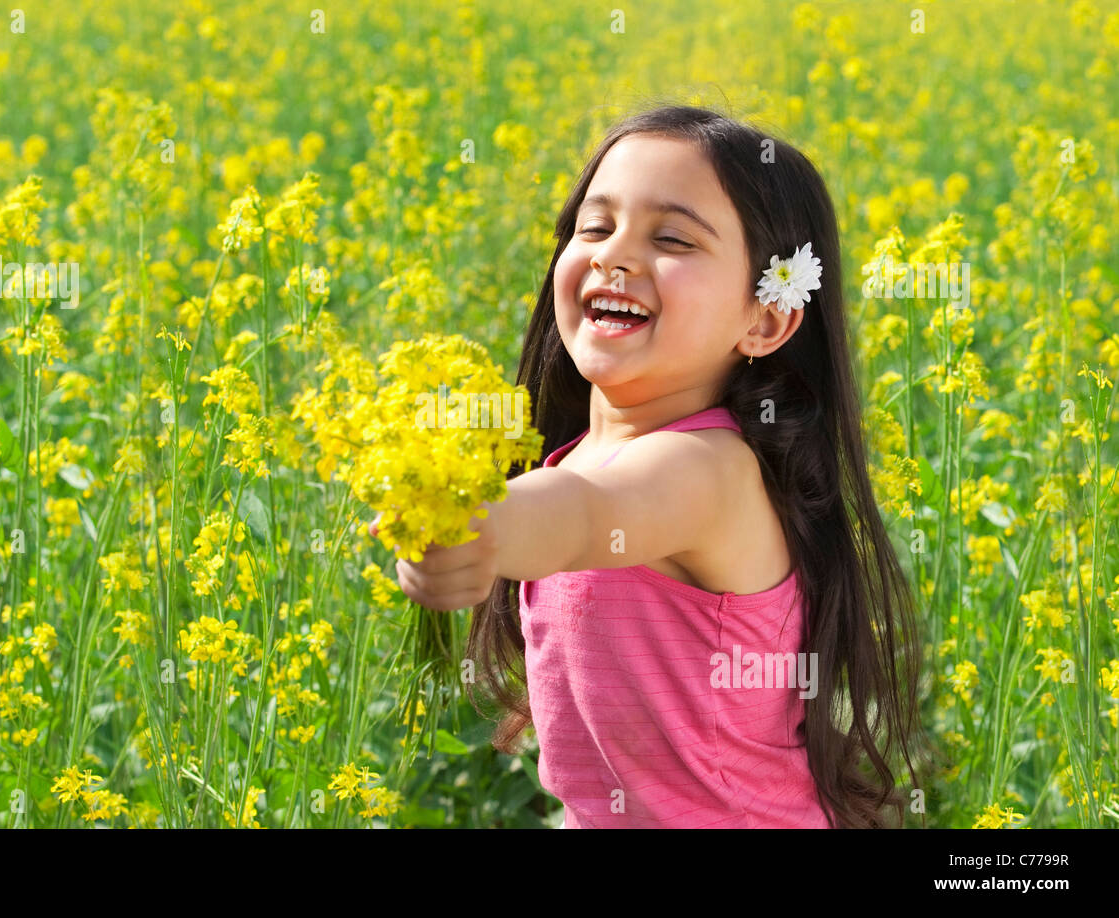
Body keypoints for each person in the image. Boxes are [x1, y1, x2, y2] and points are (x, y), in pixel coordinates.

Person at [371, 105, 922, 828]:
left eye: (670, 238)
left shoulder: (709, 472)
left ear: (765, 320)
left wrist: (480, 525)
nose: (612, 255)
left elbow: (585, 512)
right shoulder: (573, 454)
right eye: (594, 228)